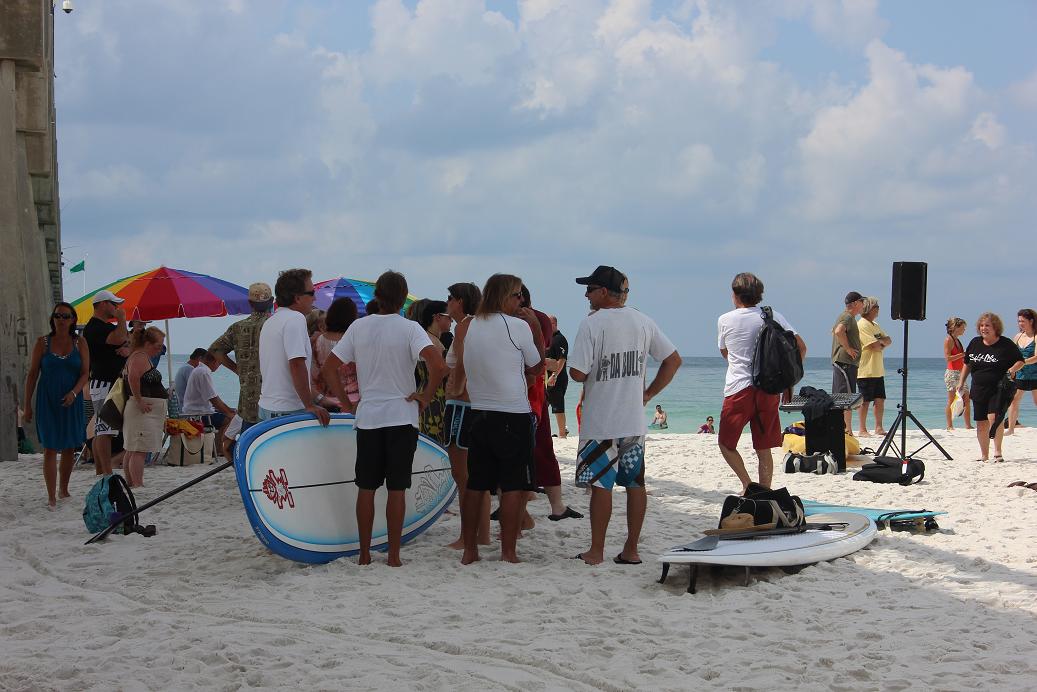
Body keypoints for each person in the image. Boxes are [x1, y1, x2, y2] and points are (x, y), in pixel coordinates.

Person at [323, 270, 445, 567]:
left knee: (366, 487)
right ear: (404, 298)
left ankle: (364, 554)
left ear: (376, 296)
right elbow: (438, 365)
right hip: (402, 416)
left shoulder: (359, 328)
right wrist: (425, 396)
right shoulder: (410, 329)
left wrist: (344, 402)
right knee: (397, 488)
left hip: (368, 417)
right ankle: (393, 556)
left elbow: (330, 367)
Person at [569, 265, 681, 565]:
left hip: (601, 422)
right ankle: (631, 550)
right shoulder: (643, 321)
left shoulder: (591, 324)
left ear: (604, 292)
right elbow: (673, 360)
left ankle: (596, 551)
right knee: (635, 484)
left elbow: (578, 373)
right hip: (633, 421)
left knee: (601, 486)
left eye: (590, 289)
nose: (586, 294)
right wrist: (648, 394)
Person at [452, 274, 544, 564]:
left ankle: (470, 550)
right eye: (518, 295)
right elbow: (537, 365)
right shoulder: (517, 326)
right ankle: (508, 551)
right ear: (505, 296)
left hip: (479, 412)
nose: (521, 301)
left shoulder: (469, 325)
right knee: (514, 485)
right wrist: (537, 328)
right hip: (512, 413)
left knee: (476, 485)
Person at [717, 272, 806, 492]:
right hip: (768, 389)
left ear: (735, 294)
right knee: (763, 448)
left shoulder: (725, 320)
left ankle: (747, 485)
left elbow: (725, 352)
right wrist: (786, 380)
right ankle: (765, 491)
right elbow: (800, 348)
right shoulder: (772, 315)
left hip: (738, 389)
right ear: (759, 294)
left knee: (726, 444)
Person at [520, 285, 582, 523]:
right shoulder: (536, 320)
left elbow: (547, 358)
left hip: (531, 393)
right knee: (539, 448)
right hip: (534, 391)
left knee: (536, 448)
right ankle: (538, 504)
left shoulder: (536, 320)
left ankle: (542, 505)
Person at [22, 302, 89, 507]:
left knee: (69, 446)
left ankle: (64, 489)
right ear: (52, 318)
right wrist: (27, 406)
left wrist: (74, 393)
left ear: (73, 320)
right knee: (50, 447)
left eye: (66, 316)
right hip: (47, 398)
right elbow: (33, 374)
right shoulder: (42, 342)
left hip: (72, 399)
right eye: (58, 316)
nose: (61, 320)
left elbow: (85, 373)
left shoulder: (80, 342)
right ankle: (51, 495)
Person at [442, 282, 491, 550]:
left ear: (460, 301)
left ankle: (468, 536)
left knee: (463, 477)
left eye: (450, 298)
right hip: (479, 405)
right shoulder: (482, 325)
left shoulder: (464, 326)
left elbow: (462, 363)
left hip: (461, 406)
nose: (447, 303)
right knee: (476, 477)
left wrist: (455, 387)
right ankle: (482, 535)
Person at [258, 270, 330, 426]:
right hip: (287, 410)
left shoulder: (271, 321)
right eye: (311, 293)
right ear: (297, 298)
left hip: (267, 407)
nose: (315, 298)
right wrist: (310, 405)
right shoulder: (295, 319)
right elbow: (296, 364)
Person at [956, 313, 1024, 462]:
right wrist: (961, 382)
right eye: (981, 325)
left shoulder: (1005, 344)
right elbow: (967, 363)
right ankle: (984, 455)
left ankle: (998, 452)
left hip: (999, 388)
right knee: (981, 422)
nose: (983, 328)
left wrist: (1011, 370)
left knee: (994, 418)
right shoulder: (975, 343)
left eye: (987, 325)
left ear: (995, 328)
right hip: (978, 388)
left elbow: (1020, 361)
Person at [209, 282, 273, 434]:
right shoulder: (274, 325)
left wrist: (237, 369)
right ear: (272, 301)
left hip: (247, 401)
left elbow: (215, 349)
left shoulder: (237, 327)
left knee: (248, 441)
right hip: (271, 398)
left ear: (250, 303)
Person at [83, 289, 129, 476]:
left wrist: (126, 347)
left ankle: (101, 469)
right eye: (114, 304)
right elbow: (120, 337)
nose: (117, 308)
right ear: (103, 304)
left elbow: (126, 340)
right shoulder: (94, 327)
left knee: (104, 428)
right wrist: (122, 318)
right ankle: (105, 470)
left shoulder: (104, 327)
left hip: (110, 383)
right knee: (104, 429)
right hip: (103, 382)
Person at [121, 326, 168, 487]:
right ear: (147, 343)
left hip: (144, 410)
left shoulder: (140, 356)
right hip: (141, 410)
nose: (159, 349)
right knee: (139, 450)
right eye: (157, 346)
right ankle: (137, 483)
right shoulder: (140, 357)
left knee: (133, 448)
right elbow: (133, 378)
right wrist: (139, 400)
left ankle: (132, 482)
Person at [311, 297, 360, 413]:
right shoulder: (356, 340)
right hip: (356, 403)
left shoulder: (316, 342)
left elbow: (314, 376)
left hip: (327, 405)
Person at [416, 300, 451, 445]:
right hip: (434, 396)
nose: (452, 320)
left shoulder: (430, 338)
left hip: (428, 392)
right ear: (437, 317)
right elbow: (437, 371)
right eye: (449, 317)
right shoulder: (431, 342)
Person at [856, 296, 892, 437]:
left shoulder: (875, 325)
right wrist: (881, 343)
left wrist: (880, 342)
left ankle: (878, 427)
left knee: (880, 400)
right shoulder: (862, 325)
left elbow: (888, 340)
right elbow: (874, 346)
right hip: (865, 370)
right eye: (876, 307)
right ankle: (862, 429)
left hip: (877, 369)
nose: (878, 310)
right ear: (870, 309)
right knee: (864, 401)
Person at [182, 352, 236, 443]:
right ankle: (218, 449)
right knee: (230, 419)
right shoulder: (203, 372)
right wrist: (229, 412)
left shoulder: (199, 370)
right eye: (220, 363)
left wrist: (229, 409)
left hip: (194, 411)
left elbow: (211, 398)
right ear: (215, 361)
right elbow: (214, 399)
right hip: (197, 415)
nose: (219, 366)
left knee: (230, 413)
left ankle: (214, 448)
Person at [831, 291, 864, 433]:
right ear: (856, 303)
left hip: (845, 363)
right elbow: (839, 331)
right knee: (845, 398)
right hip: (844, 363)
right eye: (862, 302)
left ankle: (846, 430)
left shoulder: (847, 317)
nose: (864, 305)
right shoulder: (848, 317)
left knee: (845, 398)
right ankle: (846, 430)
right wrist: (848, 348)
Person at [1007, 309, 1037, 435]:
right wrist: (1011, 368)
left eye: (1023, 321)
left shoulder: (1036, 336)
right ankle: (1011, 429)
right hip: (1020, 374)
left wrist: (1021, 363)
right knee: (1014, 400)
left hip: (1035, 374)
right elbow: (1011, 356)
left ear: (1031, 321)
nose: (1020, 323)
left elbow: (1036, 357)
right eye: (1019, 321)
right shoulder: (1017, 337)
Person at [944, 317, 972, 430]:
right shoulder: (948, 340)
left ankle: (968, 425)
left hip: (960, 373)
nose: (964, 330)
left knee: (966, 399)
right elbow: (948, 358)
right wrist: (963, 354)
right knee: (951, 400)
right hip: (952, 373)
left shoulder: (957, 340)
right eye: (962, 327)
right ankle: (949, 425)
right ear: (955, 327)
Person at [545, 316, 569, 438]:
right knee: (544, 406)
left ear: (554, 324)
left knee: (558, 407)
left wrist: (554, 376)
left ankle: (562, 434)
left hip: (557, 379)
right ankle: (544, 433)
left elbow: (562, 360)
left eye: (548, 324)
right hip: (546, 379)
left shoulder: (560, 339)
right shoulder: (549, 339)